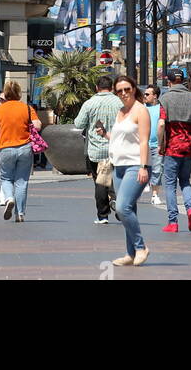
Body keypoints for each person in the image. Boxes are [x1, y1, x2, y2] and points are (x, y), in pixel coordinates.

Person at [99, 75, 150, 265]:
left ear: (134, 89)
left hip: (136, 165)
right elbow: (120, 137)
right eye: (119, 91)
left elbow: (144, 140)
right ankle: (130, 254)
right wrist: (105, 134)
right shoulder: (121, 111)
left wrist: (144, 167)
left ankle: (141, 247)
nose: (124, 93)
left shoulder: (140, 110)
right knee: (130, 210)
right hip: (118, 166)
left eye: (127, 89)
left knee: (122, 208)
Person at [75, 75, 123, 224]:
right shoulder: (119, 102)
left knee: (100, 182)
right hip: (117, 147)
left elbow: (79, 123)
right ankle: (119, 203)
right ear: (112, 88)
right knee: (117, 179)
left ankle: (103, 215)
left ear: (97, 87)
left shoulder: (90, 103)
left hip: (96, 150)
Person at [158, 71, 191, 233]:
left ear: (169, 82)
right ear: (182, 81)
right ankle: (190, 210)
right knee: (185, 181)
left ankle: (173, 221)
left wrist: (160, 142)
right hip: (189, 146)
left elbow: (162, 124)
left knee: (169, 184)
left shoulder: (165, 99)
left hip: (173, 145)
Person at [0, 79, 40, 223]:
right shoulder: (26, 108)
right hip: (24, 148)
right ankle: (20, 213)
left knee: (6, 178)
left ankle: (9, 198)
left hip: (5, 148)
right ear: (19, 93)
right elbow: (37, 125)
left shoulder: (0, 109)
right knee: (22, 181)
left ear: (5, 94)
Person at [141, 86, 165, 207]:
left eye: (147, 94)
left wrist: (161, 143)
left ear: (155, 96)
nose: (144, 96)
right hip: (141, 144)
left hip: (156, 144)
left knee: (157, 170)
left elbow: (162, 125)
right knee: (140, 168)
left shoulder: (161, 108)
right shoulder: (141, 108)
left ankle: (155, 194)